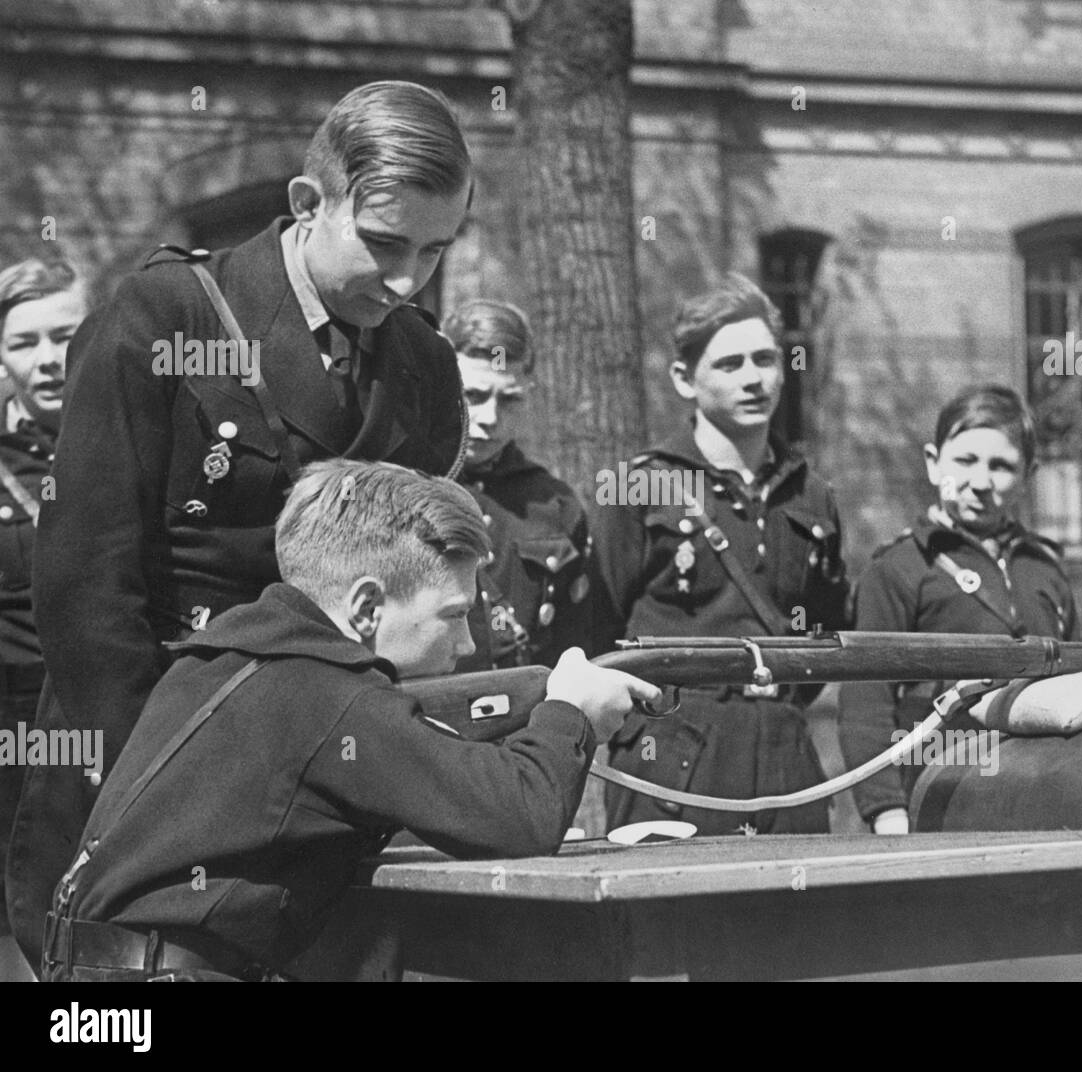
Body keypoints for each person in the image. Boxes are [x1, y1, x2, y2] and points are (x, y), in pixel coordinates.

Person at [6, 80, 474, 965]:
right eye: (382, 244)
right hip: (149, 779)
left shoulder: (423, 365)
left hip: (327, 801)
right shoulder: (166, 317)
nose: (409, 279)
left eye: (436, 250)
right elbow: (84, 582)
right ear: (308, 203)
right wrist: (164, 780)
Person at [39, 460, 657, 981]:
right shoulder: (333, 697)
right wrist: (569, 711)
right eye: (452, 614)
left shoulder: (222, 659)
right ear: (365, 606)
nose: (468, 644)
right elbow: (520, 815)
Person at [592, 273, 849, 836]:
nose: (754, 379)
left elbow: (829, 624)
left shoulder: (812, 494)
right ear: (685, 378)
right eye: (730, 364)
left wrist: (777, 688)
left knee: (798, 916)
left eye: (766, 359)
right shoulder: (640, 486)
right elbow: (596, 624)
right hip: (673, 751)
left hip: (785, 746)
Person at [839, 385, 1078, 834]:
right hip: (933, 796)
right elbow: (865, 704)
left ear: (1028, 475)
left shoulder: (1044, 568)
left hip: (1040, 796)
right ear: (934, 464)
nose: (981, 481)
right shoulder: (901, 568)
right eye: (965, 461)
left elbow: (1075, 688)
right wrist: (886, 809)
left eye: (1002, 466)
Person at [0, 258, 86, 981]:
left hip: (120, 718)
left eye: (65, 333)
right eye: (24, 343)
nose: (48, 359)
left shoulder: (136, 440)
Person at [444, 299, 592, 669]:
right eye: (474, 396)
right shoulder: (404, 486)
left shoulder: (554, 504)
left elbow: (581, 640)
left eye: (509, 400)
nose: (489, 418)